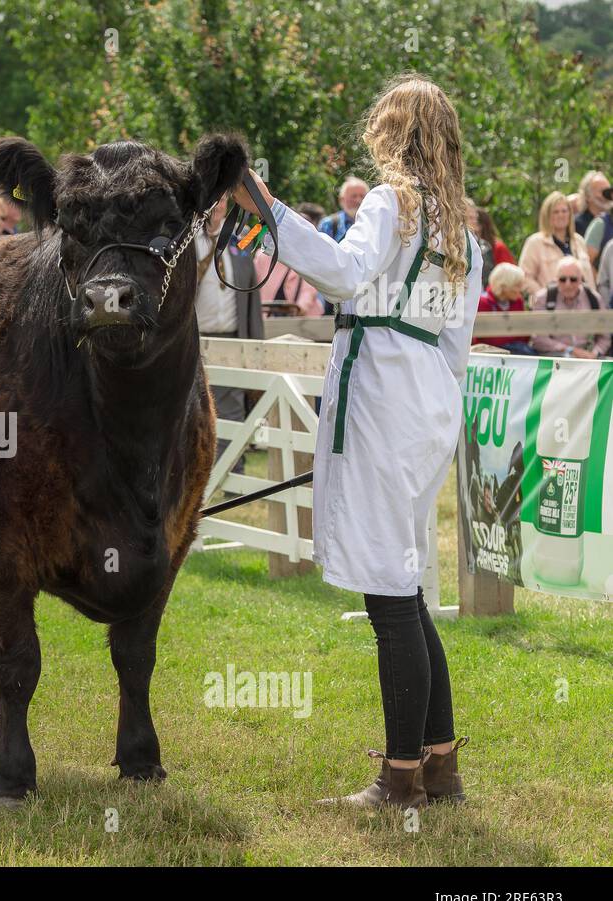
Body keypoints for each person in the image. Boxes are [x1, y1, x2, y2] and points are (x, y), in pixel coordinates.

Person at [235, 73, 478, 809]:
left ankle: (399, 779)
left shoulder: (391, 203)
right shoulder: (457, 229)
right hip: (427, 397)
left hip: (380, 398)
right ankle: (440, 766)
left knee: (390, 594)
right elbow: (457, 338)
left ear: (391, 133)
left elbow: (342, 272)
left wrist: (268, 210)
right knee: (404, 584)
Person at [193, 195, 263, 473]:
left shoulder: (240, 240)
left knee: (232, 408)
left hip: (233, 336)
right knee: (195, 409)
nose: (216, 206)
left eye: (221, 200)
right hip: (196, 337)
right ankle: (199, 475)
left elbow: (268, 233)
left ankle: (234, 472)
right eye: (210, 199)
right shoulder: (186, 241)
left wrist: (260, 204)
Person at [527, 256, 608, 359]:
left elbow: (605, 337)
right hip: (554, 359)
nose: (568, 284)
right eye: (562, 279)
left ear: (581, 279)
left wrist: (595, 353)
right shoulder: (543, 298)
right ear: (556, 279)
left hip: (589, 359)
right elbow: (538, 339)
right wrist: (571, 351)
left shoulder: (594, 299)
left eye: (573, 279)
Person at [518, 190, 596, 297]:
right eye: (556, 212)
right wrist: (545, 297)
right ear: (547, 215)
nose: (561, 215)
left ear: (570, 214)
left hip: (581, 308)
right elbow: (525, 278)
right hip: (549, 310)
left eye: (564, 211)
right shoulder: (535, 243)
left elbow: (589, 278)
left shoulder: (579, 241)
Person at [474, 262, 531, 354]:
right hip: (489, 352)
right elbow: (485, 339)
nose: (521, 289)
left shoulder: (518, 301)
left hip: (517, 350)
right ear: (504, 286)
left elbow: (524, 334)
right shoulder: (482, 303)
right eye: (517, 285)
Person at [318, 176, 368, 241]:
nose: (358, 200)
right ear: (341, 199)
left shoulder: (374, 223)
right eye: (354, 196)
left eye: (362, 196)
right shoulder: (328, 224)